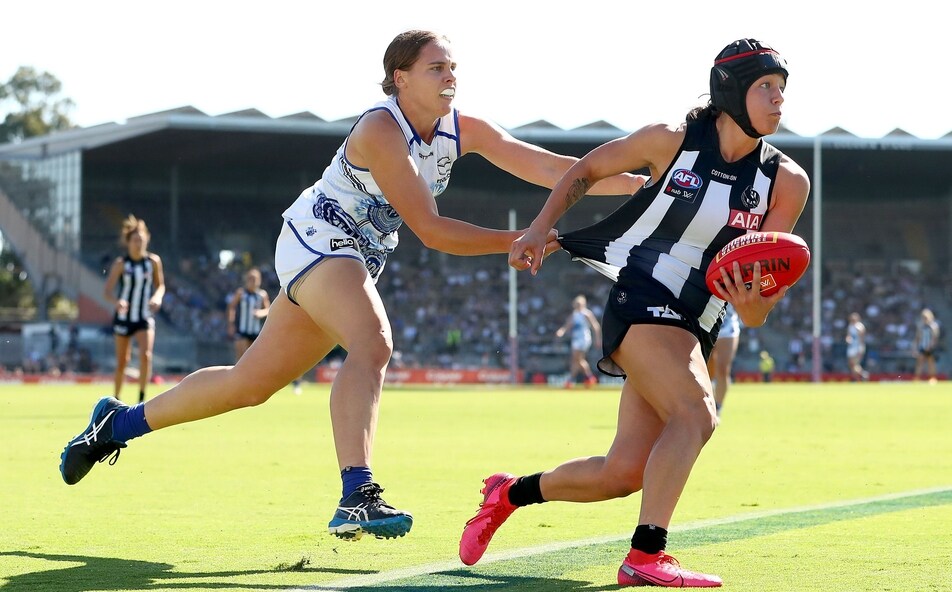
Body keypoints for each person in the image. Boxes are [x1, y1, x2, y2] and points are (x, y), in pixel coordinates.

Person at [59, 30, 642, 542]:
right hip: (318, 239)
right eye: (437, 67)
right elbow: (432, 231)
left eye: (453, 68)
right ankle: (356, 496)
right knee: (372, 343)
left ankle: (117, 425)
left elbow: (549, 168)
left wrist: (645, 184)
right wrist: (524, 241)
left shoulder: (463, 129)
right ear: (401, 77)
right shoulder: (380, 130)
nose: (451, 76)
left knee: (249, 384)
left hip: (353, 257)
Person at [461, 38, 809, 588]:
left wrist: (753, 304)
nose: (779, 100)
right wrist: (537, 227)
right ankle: (647, 555)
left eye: (783, 89)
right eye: (766, 87)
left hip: (699, 324)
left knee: (622, 473)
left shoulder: (787, 181)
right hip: (642, 298)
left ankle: (508, 493)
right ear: (729, 90)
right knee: (696, 414)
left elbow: (762, 303)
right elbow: (587, 169)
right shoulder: (669, 142)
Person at [102, 215, 165, 403]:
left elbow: (160, 285)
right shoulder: (121, 264)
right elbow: (107, 292)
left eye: (142, 240)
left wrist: (157, 297)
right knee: (123, 361)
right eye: (135, 240)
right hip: (123, 318)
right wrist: (117, 302)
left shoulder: (153, 262)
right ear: (128, 242)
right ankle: (116, 399)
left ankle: (141, 399)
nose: (139, 244)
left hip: (144, 316)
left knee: (146, 355)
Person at [555, 294, 602, 388]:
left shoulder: (586, 314)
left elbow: (595, 326)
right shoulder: (574, 315)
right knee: (576, 360)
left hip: (583, 339)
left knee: (578, 359)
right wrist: (561, 331)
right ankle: (577, 380)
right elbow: (567, 326)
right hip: (576, 339)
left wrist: (598, 339)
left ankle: (584, 378)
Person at [226, 268, 271, 362]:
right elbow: (231, 307)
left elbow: (269, 309)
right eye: (250, 278)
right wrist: (231, 324)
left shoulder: (262, 295)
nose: (252, 281)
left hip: (255, 331)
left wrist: (260, 313)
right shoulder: (241, 293)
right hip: (241, 330)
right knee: (242, 358)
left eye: (255, 279)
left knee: (253, 359)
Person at [706, 303, 740, 414]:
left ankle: (718, 408)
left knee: (722, 369)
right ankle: (704, 403)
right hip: (705, 319)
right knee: (704, 367)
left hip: (727, 323)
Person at [914, 308, 940, 383]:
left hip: (930, 348)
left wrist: (930, 346)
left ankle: (932, 378)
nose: (924, 319)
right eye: (923, 317)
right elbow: (917, 337)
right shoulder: (921, 326)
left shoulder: (933, 326)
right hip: (922, 346)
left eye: (926, 317)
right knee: (920, 363)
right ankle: (917, 378)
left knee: (931, 363)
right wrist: (915, 347)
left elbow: (935, 337)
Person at [845, 312, 869, 381]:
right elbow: (848, 335)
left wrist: (860, 348)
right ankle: (857, 378)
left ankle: (863, 374)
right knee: (851, 364)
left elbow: (861, 338)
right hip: (851, 347)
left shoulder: (860, 326)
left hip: (857, 347)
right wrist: (848, 339)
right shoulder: (850, 326)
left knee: (855, 364)